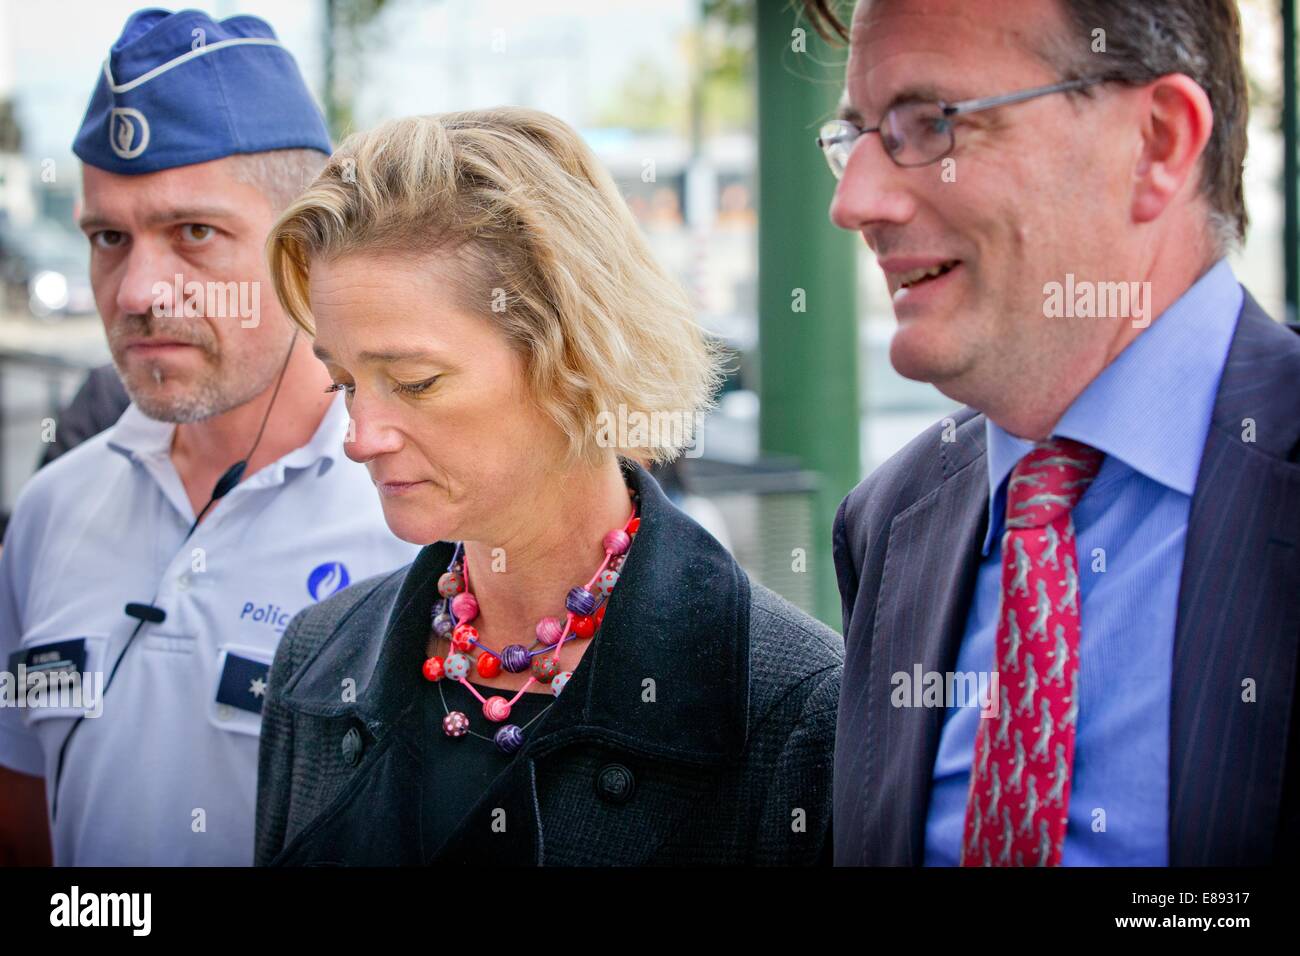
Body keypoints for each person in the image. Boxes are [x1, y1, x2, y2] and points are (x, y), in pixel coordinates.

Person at [254, 108, 843, 866]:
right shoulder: (314, 658)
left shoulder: (794, 711)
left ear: (573, 356)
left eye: (414, 382)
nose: (361, 437)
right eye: (343, 384)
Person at [811, 0, 1300, 865]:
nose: (855, 201)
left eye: (930, 122)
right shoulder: (889, 519)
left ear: (1156, 142)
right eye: (856, 136)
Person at [0, 8, 418, 866]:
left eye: (195, 233)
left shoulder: (417, 519)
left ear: (306, 245)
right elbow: (23, 814)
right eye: (108, 237)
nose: (137, 290)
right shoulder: (50, 512)